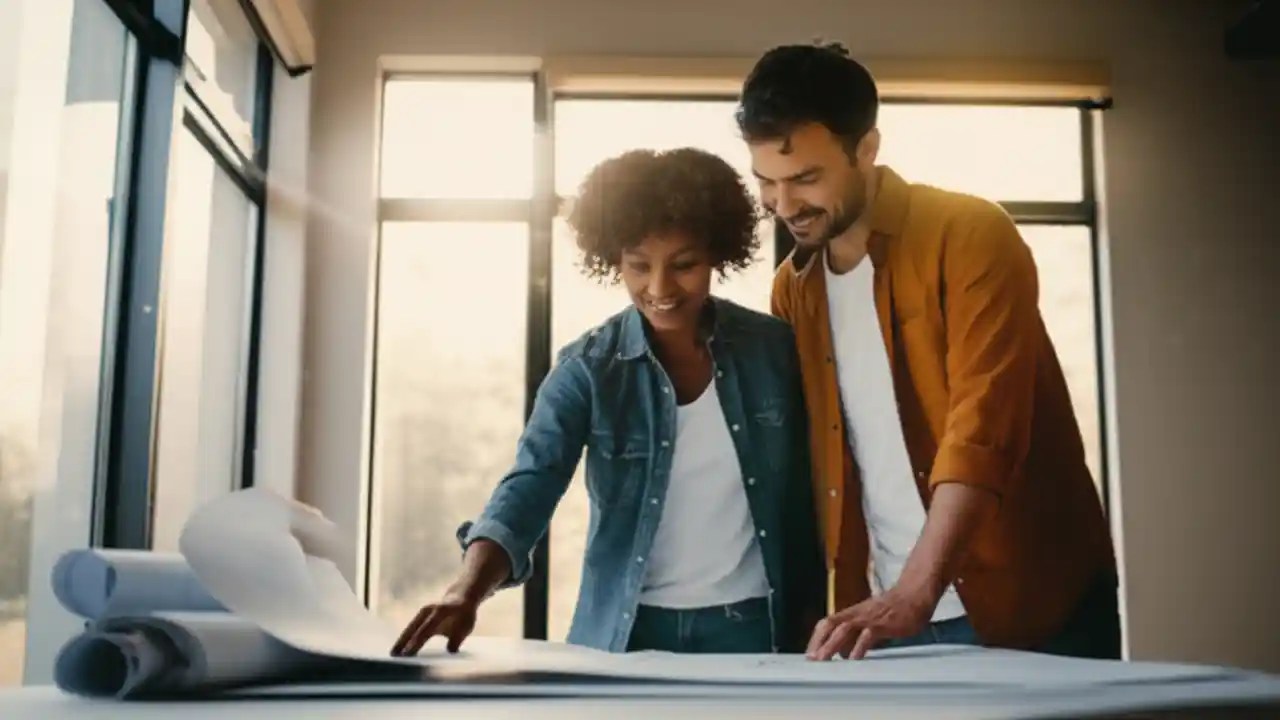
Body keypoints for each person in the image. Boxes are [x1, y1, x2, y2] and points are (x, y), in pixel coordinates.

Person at [735, 43, 1119, 661]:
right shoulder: (793, 288)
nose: (784, 206)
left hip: (1029, 605)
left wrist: (917, 590)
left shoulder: (970, 235)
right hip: (885, 620)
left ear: (866, 148)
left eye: (806, 178)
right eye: (767, 182)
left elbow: (982, 429)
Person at [391, 147, 825, 657]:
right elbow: (531, 483)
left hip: (757, 630)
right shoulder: (588, 368)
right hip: (627, 633)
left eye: (683, 265)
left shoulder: (774, 350)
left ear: (716, 254)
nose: (660, 287)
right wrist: (465, 591)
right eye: (639, 266)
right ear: (612, 259)